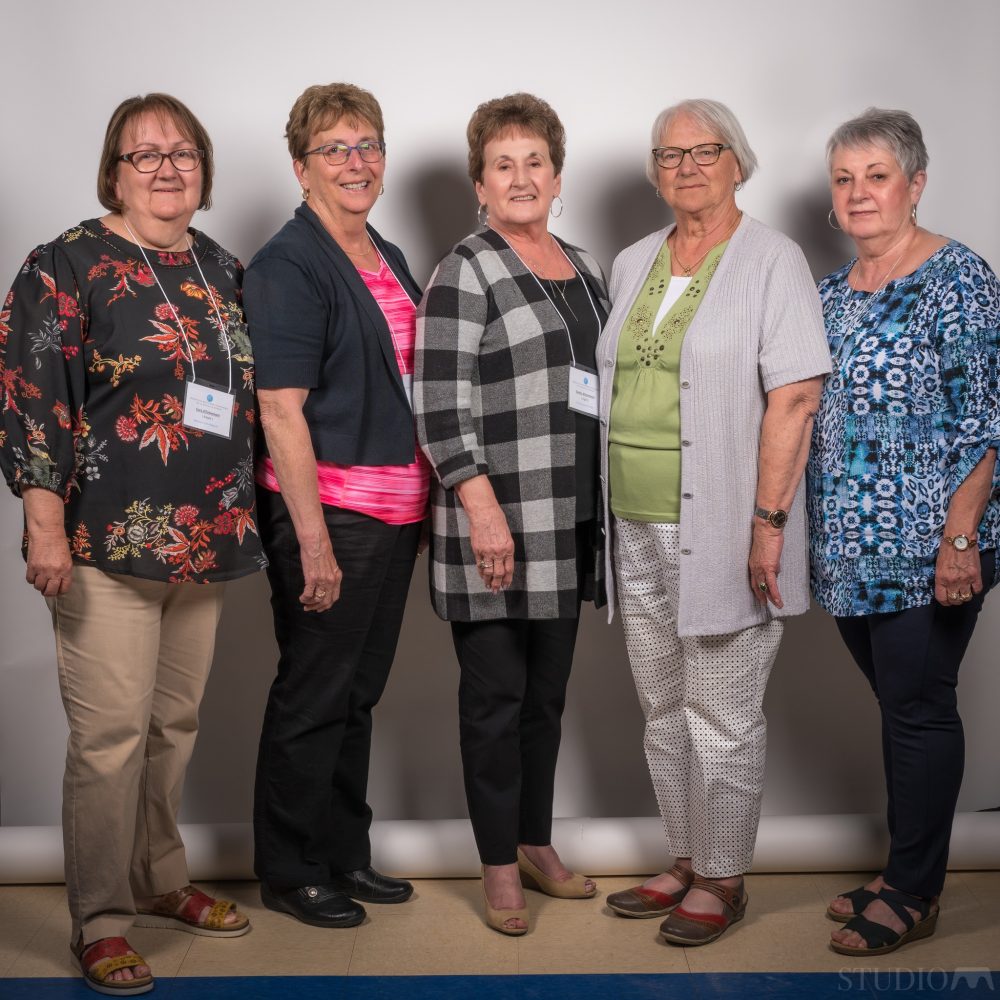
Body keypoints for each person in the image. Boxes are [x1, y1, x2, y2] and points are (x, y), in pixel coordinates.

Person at [0, 93, 260, 994]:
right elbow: (37, 404)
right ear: (114, 169)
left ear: (204, 170)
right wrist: (43, 530)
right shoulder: (64, 265)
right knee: (108, 738)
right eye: (144, 154)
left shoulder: (222, 267)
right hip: (103, 541)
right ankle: (101, 920)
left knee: (171, 726)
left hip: (205, 540)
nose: (165, 168)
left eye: (183, 153)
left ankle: (161, 879)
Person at [597, 99, 831, 946]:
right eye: (669, 154)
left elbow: (797, 394)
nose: (687, 167)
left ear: (739, 161)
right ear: (654, 171)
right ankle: (687, 856)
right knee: (662, 705)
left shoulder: (773, 260)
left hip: (731, 524)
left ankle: (726, 876)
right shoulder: (632, 260)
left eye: (706, 151)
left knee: (723, 711)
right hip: (633, 521)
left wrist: (768, 524)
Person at [414, 93, 608, 935]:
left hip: (567, 522)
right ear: (479, 182)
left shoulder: (583, 265)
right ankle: (497, 863)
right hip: (493, 520)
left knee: (546, 698)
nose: (521, 177)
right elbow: (437, 398)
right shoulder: (466, 267)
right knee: (494, 700)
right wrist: (481, 507)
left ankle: (535, 840)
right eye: (504, 164)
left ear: (557, 176)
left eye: (535, 161)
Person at [808, 108, 1000, 957]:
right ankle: (898, 870)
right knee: (898, 709)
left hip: (931, 549)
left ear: (914, 185)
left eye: (875, 175)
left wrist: (961, 537)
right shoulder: (827, 295)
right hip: (847, 553)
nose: (858, 193)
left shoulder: (961, 279)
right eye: (844, 178)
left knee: (919, 709)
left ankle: (915, 894)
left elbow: (989, 418)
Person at [244, 83, 426, 930]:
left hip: (394, 514)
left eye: (367, 146)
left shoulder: (380, 250)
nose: (356, 163)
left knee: (356, 694)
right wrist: (312, 541)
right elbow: (280, 408)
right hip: (333, 517)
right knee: (314, 694)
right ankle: (289, 866)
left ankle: (343, 852)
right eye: (335, 149)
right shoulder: (291, 262)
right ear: (301, 167)